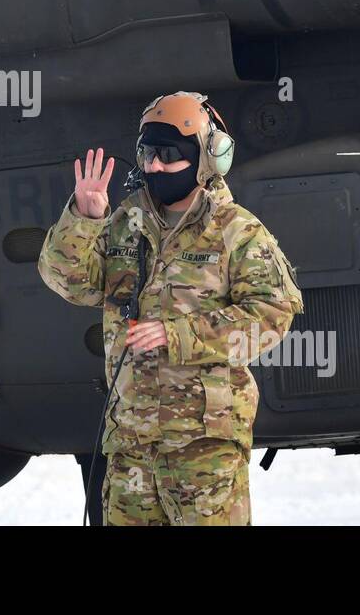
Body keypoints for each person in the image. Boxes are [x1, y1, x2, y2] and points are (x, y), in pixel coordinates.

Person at [37, 91, 303, 525]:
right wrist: (85, 219)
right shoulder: (125, 224)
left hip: (203, 446)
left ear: (205, 160)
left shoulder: (238, 233)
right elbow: (71, 284)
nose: (153, 166)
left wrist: (177, 334)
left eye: (167, 155)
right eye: (146, 153)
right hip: (130, 444)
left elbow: (270, 318)